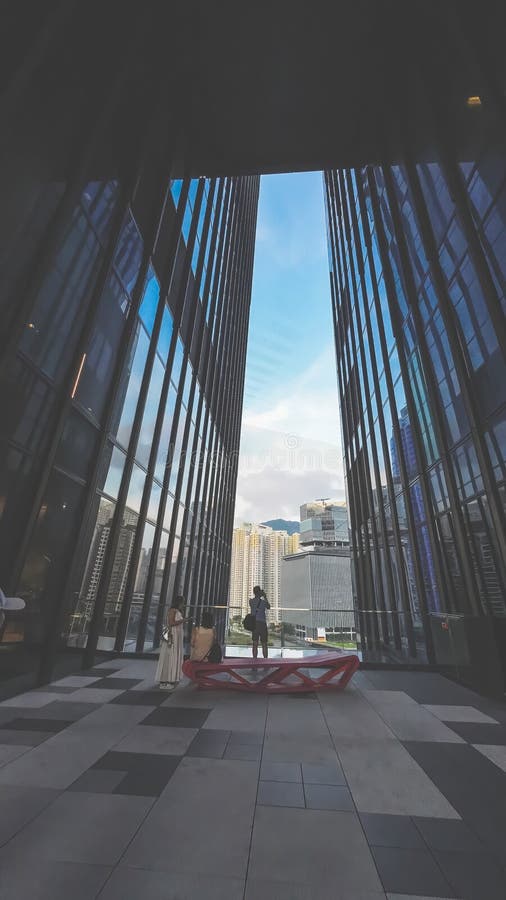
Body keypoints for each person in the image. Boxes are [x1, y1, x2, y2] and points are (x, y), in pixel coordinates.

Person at [156, 595, 187, 690]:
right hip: (172, 634)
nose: (183, 605)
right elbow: (171, 623)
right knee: (170, 655)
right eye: (182, 602)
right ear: (179, 602)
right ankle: (166, 679)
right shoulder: (172, 610)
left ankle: (171, 678)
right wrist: (183, 620)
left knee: (173, 654)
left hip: (176, 635)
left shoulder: (176, 611)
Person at [249, 585, 270, 659]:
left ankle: (254, 660)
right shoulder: (263, 602)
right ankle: (265, 661)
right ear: (259, 592)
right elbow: (268, 607)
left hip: (254, 624)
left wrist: (259, 595)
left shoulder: (251, 601)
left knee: (255, 644)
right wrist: (264, 596)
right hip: (262, 624)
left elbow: (254, 602)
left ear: (254, 592)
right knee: (264, 644)